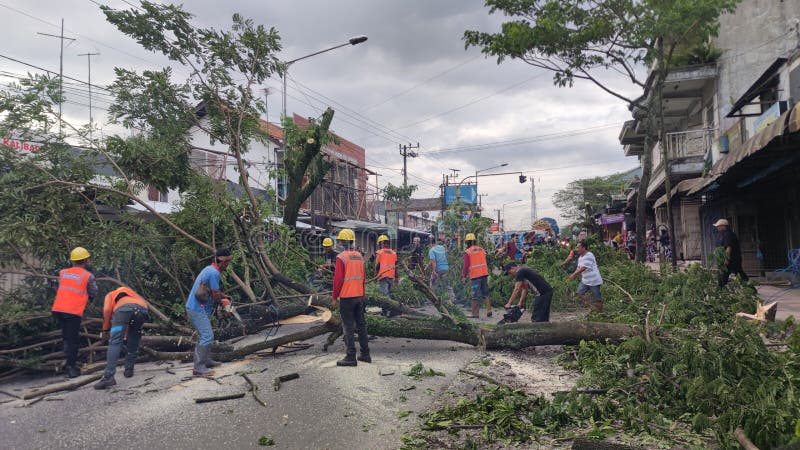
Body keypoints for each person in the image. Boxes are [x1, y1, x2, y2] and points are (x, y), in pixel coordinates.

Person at [51, 246, 98, 378]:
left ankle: (66, 353)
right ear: (86, 260)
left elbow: (60, 287)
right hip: (72, 311)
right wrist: (90, 301)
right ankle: (71, 368)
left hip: (58, 309)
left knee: (66, 336)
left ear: (72, 261)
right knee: (73, 340)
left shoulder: (63, 272)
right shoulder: (88, 276)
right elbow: (94, 291)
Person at [185, 248, 233, 377]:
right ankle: (198, 367)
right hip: (197, 308)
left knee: (204, 335)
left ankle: (205, 360)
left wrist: (224, 297)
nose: (228, 264)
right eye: (227, 261)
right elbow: (216, 294)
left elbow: (214, 291)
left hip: (196, 308)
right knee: (207, 336)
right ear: (221, 260)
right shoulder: (214, 273)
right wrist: (222, 302)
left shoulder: (208, 269)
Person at [94, 286, 150, 389]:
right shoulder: (133, 294)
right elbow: (132, 313)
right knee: (134, 339)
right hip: (142, 310)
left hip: (123, 311)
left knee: (115, 342)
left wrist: (106, 329)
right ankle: (129, 369)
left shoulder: (110, 294)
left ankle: (108, 377)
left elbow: (107, 310)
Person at [332, 228, 370, 366]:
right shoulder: (359, 256)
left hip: (347, 297)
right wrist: (363, 293)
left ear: (342, 242)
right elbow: (363, 277)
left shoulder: (341, 257)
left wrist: (334, 297)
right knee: (361, 326)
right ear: (352, 241)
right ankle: (365, 354)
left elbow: (338, 280)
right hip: (359, 295)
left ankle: (350, 357)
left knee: (348, 327)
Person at [567, 240, 604, 312]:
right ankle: (592, 306)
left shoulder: (589, 255)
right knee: (580, 293)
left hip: (594, 280)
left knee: (597, 298)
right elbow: (578, 268)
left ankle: (600, 312)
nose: (577, 249)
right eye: (576, 247)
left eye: (578, 247)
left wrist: (573, 275)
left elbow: (583, 268)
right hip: (585, 280)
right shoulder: (580, 257)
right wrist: (573, 276)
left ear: (584, 248)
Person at [461, 233, 491, 318]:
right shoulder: (481, 249)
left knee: (475, 294)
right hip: (484, 273)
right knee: (486, 292)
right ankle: (489, 310)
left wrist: (463, 276)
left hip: (475, 275)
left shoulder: (468, 252)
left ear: (467, 242)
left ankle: (475, 313)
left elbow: (466, 266)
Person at [714, 219, 748, 288]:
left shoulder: (728, 235)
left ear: (723, 226)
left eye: (718, 226)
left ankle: (721, 289)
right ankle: (721, 289)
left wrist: (726, 259)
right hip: (732, 259)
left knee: (724, 274)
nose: (717, 228)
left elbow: (728, 247)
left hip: (732, 259)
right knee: (738, 273)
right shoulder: (725, 234)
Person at [428, 235, 455, 305]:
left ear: (430, 243)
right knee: (447, 284)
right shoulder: (442, 247)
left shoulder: (432, 250)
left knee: (433, 283)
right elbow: (444, 256)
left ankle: (432, 299)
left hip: (438, 269)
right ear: (435, 241)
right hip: (445, 268)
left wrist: (434, 271)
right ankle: (452, 298)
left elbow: (433, 262)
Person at [374, 234, 397, 316]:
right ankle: (387, 311)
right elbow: (396, 266)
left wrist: (375, 276)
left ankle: (388, 311)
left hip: (382, 276)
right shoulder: (394, 253)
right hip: (391, 276)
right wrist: (396, 278)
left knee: (384, 295)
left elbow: (377, 266)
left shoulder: (379, 252)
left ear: (381, 243)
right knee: (389, 294)